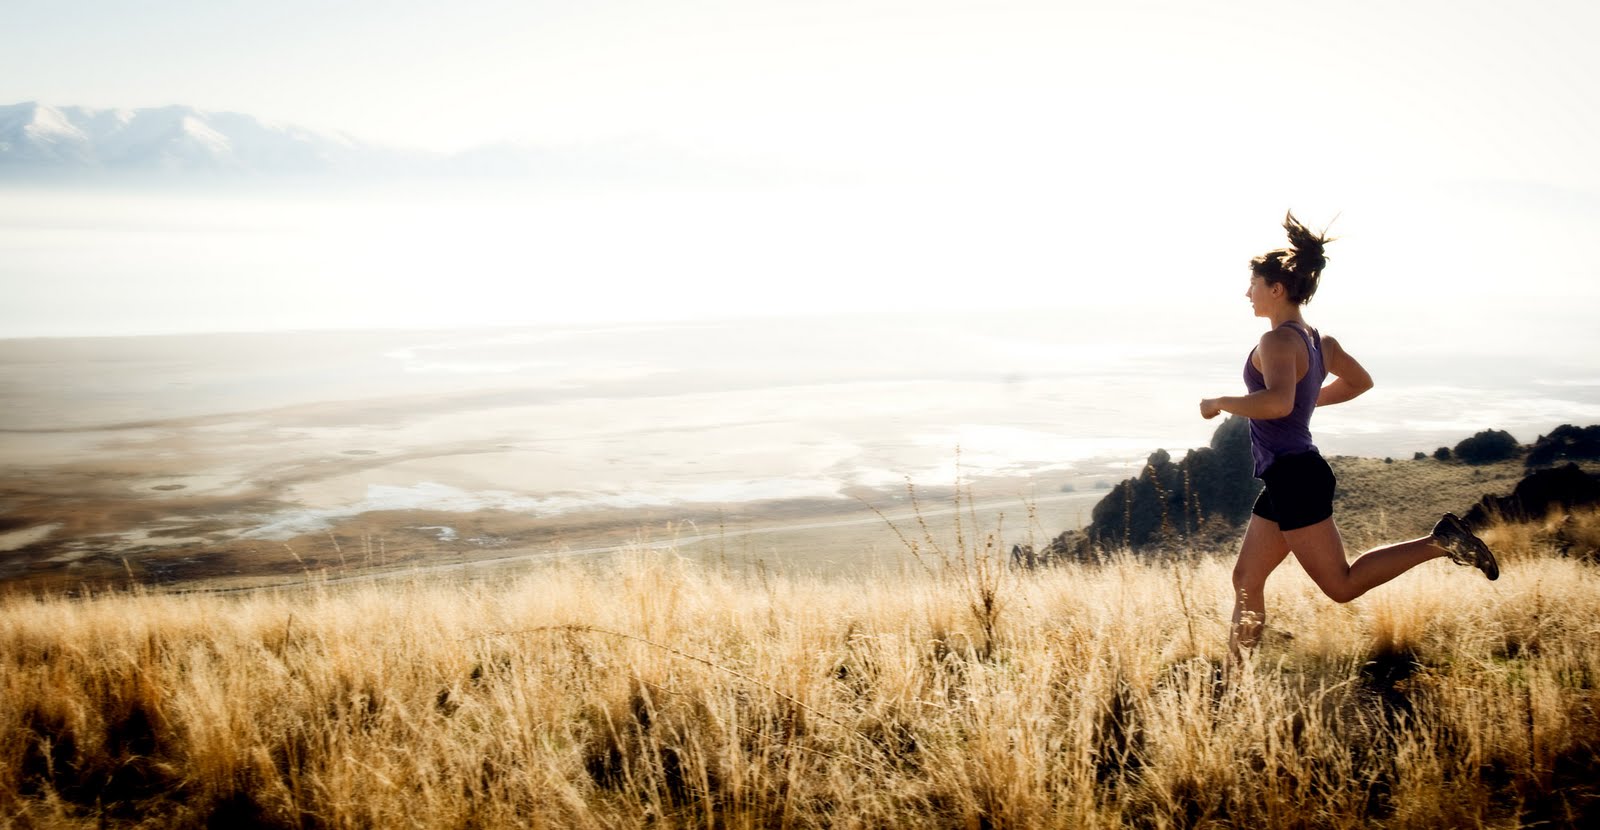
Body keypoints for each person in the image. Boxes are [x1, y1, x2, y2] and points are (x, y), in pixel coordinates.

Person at [1199, 212, 1499, 664]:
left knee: (1341, 585)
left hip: (1296, 476)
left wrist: (1222, 401)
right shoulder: (1321, 342)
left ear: (1276, 289)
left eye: (1254, 284)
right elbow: (1358, 382)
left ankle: (1442, 541)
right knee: (1246, 578)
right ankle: (1235, 682)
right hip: (1290, 476)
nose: (1247, 292)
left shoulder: (1277, 341)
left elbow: (1278, 403)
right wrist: (1305, 402)